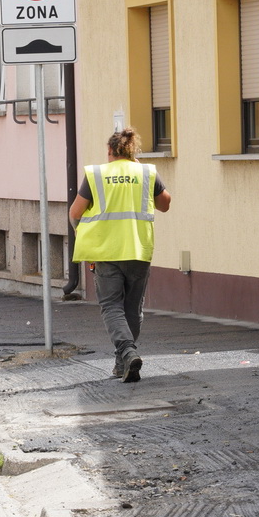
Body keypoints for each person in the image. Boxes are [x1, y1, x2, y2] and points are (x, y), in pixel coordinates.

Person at [69, 127, 172, 383]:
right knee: (132, 309)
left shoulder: (97, 174)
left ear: (110, 151)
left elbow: (75, 213)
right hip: (139, 250)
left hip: (107, 251)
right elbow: (165, 204)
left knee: (111, 305)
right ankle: (122, 363)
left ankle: (127, 352)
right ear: (132, 151)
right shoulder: (147, 172)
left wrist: (86, 238)